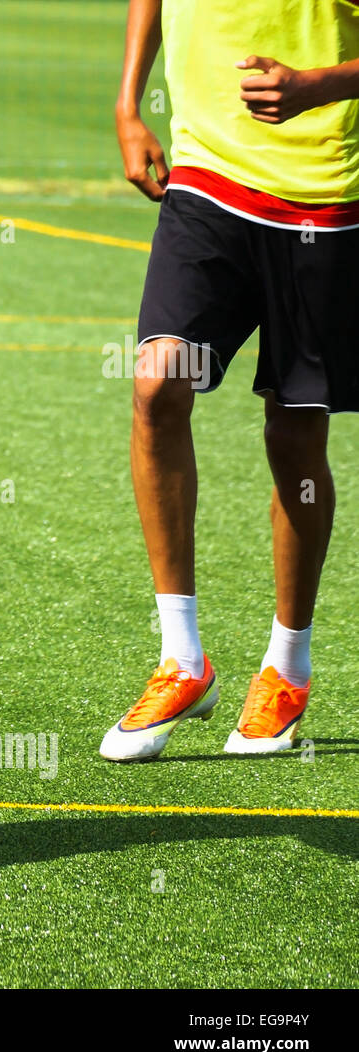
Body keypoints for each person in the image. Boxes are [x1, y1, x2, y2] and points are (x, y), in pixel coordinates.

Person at [101, 0, 359, 762]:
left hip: (322, 200)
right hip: (206, 182)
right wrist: (127, 103)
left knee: (295, 432)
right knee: (156, 384)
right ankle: (183, 660)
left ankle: (288, 664)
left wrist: (319, 85)